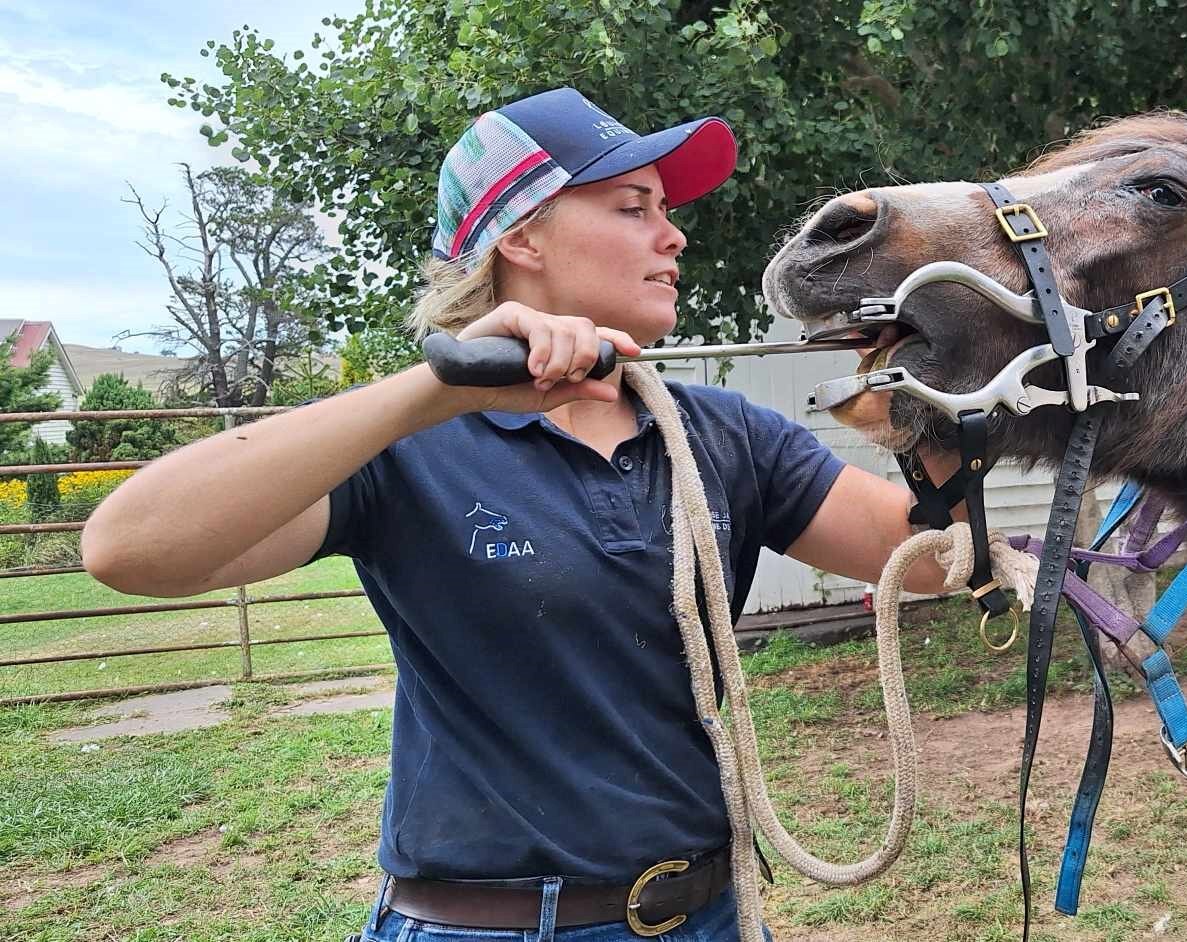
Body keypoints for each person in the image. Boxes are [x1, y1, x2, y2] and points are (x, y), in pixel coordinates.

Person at [82, 87, 963, 942]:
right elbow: (128, 549)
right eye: (633, 207)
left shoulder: (725, 435)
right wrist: (436, 389)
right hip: (490, 928)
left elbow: (931, 558)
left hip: (709, 915)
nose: (674, 235)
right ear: (522, 236)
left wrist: (944, 391)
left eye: (665, 210)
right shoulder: (405, 443)